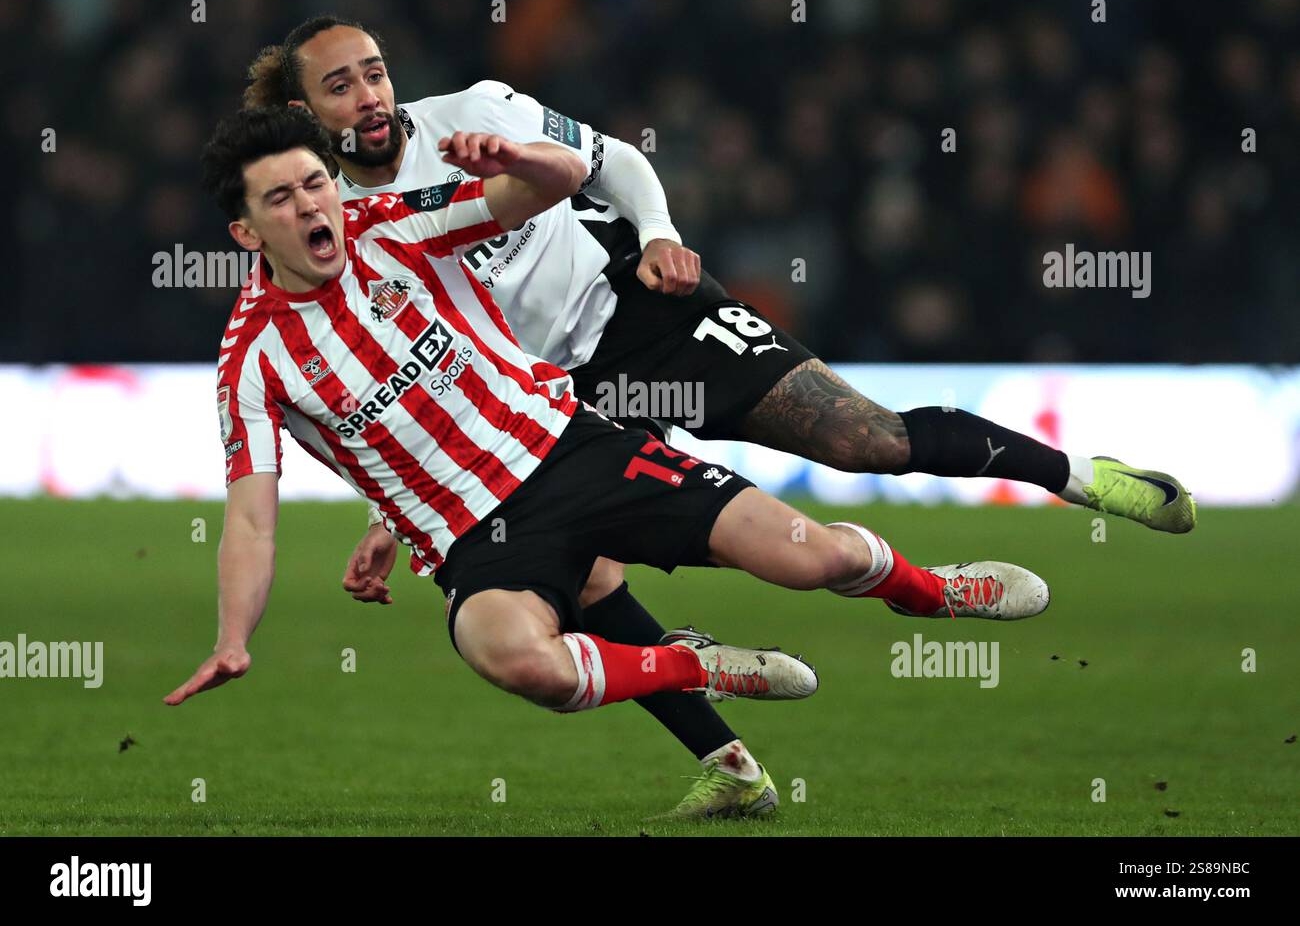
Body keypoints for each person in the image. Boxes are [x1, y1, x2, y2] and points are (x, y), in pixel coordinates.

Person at [241, 14, 1197, 817]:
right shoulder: (328, 230)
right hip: (549, 397)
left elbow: (611, 162)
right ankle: (733, 770)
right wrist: (387, 514)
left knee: (864, 438)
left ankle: (1081, 480)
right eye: (339, 86)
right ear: (302, 113)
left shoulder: (475, 114)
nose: (368, 95)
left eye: (373, 72)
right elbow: (416, 390)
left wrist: (660, 235)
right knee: (582, 580)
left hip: (639, 313)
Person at [164, 109, 1052, 820]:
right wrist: (234, 639)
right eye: (282, 199)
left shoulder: (390, 226)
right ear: (246, 231)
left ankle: (933, 589)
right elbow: (250, 514)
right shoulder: (252, 359)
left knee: (808, 558)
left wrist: (512, 153)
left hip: (572, 450)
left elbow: (552, 184)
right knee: (507, 653)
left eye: (316, 182)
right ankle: (695, 666)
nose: (313, 206)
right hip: (476, 537)